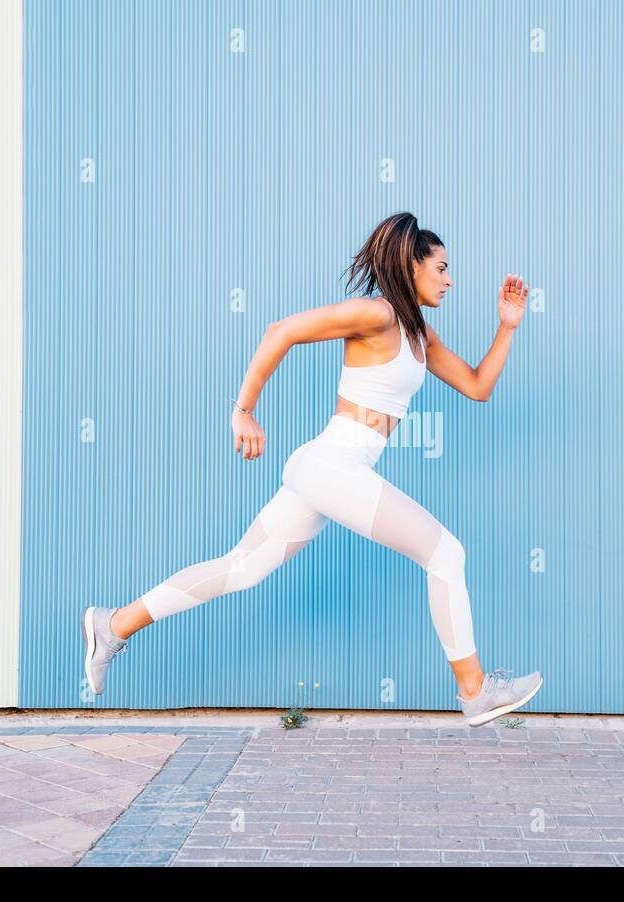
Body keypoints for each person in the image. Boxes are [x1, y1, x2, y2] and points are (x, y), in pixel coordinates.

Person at [82, 211, 542, 727]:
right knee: (445, 553)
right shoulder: (378, 314)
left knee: (241, 568)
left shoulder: (420, 335)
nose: (450, 279)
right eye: (440, 267)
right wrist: (244, 409)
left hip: (327, 469)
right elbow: (282, 330)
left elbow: (478, 386)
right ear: (410, 264)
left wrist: (506, 328)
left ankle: (113, 624)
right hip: (333, 466)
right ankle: (474, 689)